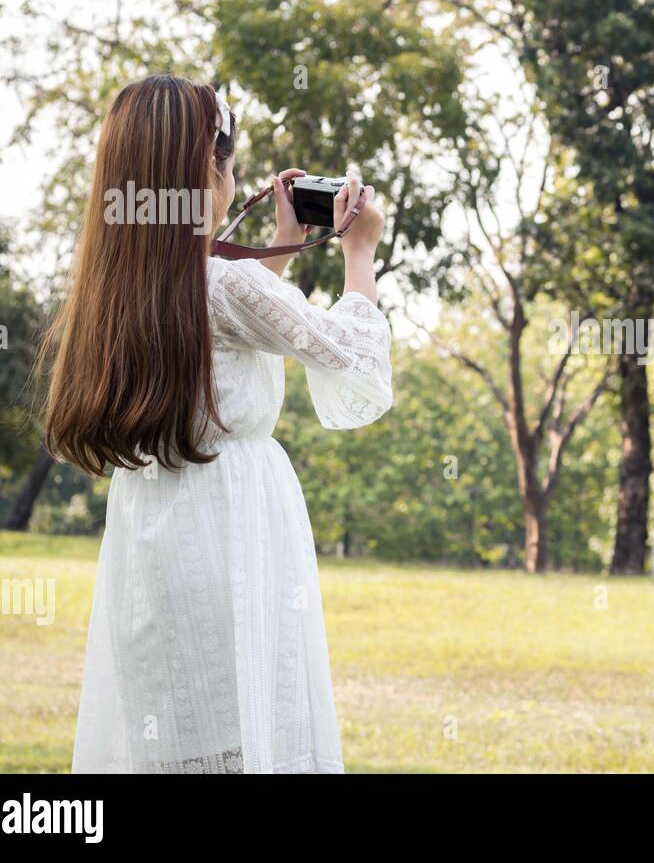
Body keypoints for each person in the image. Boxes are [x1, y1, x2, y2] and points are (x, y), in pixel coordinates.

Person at [40, 74, 394, 773]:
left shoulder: (115, 291)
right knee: (246, 716)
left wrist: (283, 245)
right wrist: (359, 253)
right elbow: (352, 358)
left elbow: (233, 321)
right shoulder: (228, 285)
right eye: (227, 160)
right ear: (207, 169)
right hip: (234, 527)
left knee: (175, 726)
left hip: (151, 537)